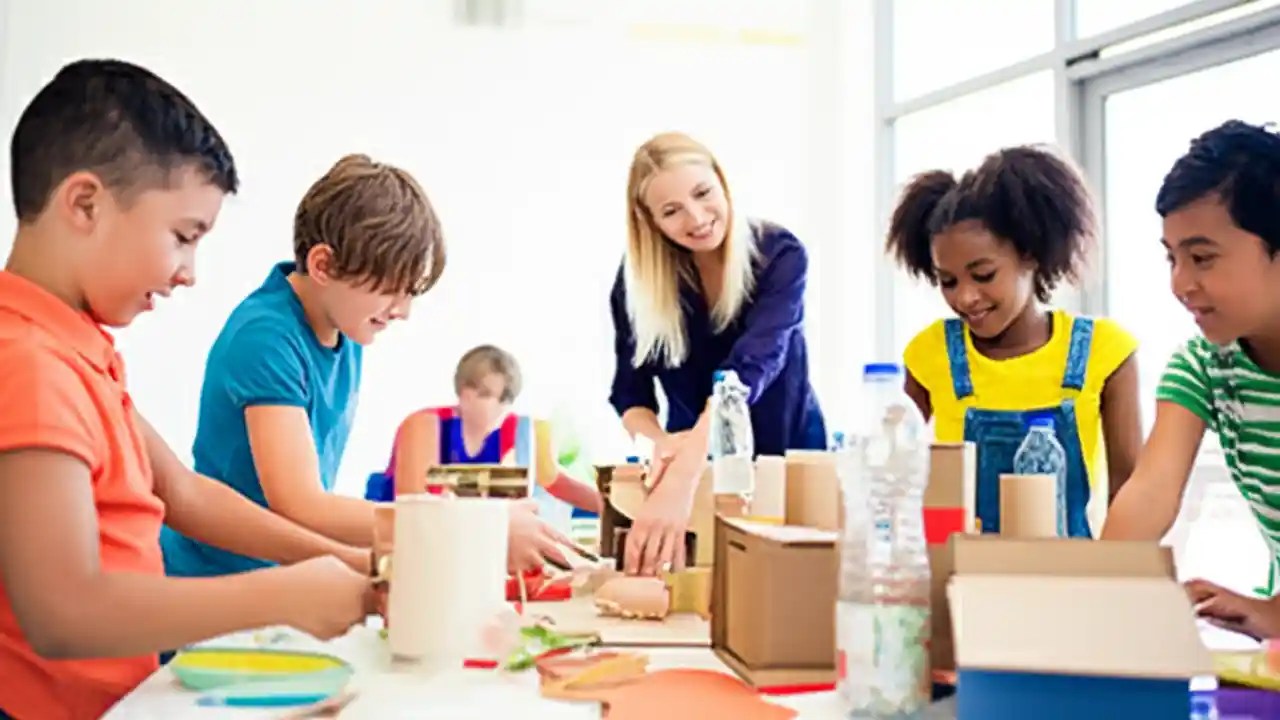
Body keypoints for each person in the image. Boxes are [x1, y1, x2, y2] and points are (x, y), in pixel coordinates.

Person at [0, 59, 375, 720]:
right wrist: (284, 596)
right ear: (84, 204)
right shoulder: (26, 363)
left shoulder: (75, 350)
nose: (188, 274)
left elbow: (183, 493)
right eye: (183, 237)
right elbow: (64, 612)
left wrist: (346, 562)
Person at [160, 157, 572, 580]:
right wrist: (471, 529)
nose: (403, 311)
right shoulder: (266, 338)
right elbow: (300, 502)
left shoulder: (343, 323)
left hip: (283, 570)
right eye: (392, 291)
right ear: (323, 266)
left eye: (410, 292)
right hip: (220, 579)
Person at [889, 145, 1142, 538]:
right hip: (963, 572)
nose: (965, 297)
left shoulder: (1104, 353)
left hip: (1065, 579)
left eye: (984, 274)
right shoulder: (929, 353)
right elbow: (895, 479)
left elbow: (1131, 494)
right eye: (948, 281)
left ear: (1031, 255)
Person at [609, 131, 826, 575]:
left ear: (722, 183)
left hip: (785, 462)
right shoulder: (636, 283)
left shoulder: (779, 255)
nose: (696, 217)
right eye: (671, 211)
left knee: (788, 592)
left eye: (703, 193)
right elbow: (630, 395)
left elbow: (748, 373)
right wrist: (661, 449)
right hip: (694, 466)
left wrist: (680, 477)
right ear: (649, 221)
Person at [1102, 120, 1280, 639]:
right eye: (1171, 258)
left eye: (1202, 258)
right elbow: (1150, 490)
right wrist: (1092, 596)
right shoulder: (1206, 364)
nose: (1180, 283)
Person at [375, 344, 603, 516]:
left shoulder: (522, 431)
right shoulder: (424, 425)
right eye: (486, 395)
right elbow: (412, 505)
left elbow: (558, 484)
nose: (498, 407)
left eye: (506, 399)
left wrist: (616, 511)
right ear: (463, 392)